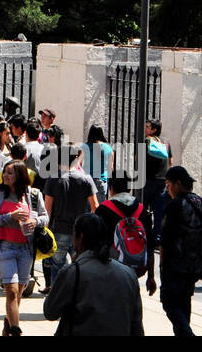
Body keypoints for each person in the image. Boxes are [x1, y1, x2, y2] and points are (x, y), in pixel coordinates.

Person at [43, 213, 145, 336]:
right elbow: (137, 326)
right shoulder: (128, 274)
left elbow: (50, 312)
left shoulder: (73, 272)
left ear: (80, 237)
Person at [0, 160, 46, 334]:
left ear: (20, 175)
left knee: (18, 293)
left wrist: (34, 221)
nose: (5, 176)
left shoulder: (33, 195)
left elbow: (45, 217)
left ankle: (9, 323)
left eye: (10, 173)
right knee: (11, 292)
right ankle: (16, 331)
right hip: (5, 247)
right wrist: (9, 216)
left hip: (25, 249)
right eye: (5, 172)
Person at [158, 165, 202, 336]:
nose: (167, 190)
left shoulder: (175, 205)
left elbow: (166, 240)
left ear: (178, 184)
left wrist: (162, 267)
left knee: (169, 302)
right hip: (196, 266)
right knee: (184, 302)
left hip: (176, 266)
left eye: (168, 185)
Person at [42, 143, 99, 293]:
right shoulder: (86, 179)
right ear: (77, 157)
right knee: (81, 268)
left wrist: (45, 231)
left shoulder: (53, 179)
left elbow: (47, 210)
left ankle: (56, 300)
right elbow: (95, 208)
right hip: (80, 232)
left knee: (57, 267)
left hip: (58, 229)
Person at [97, 175, 157, 297]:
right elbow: (150, 246)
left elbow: (96, 243)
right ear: (130, 189)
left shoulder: (103, 209)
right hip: (136, 269)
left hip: (111, 268)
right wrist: (151, 277)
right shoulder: (142, 210)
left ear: (111, 188)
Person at [83, 125, 113, 203]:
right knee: (100, 211)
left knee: (87, 211)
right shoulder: (108, 148)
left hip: (87, 180)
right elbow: (111, 167)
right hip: (101, 181)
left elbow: (79, 164)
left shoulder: (84, 147)